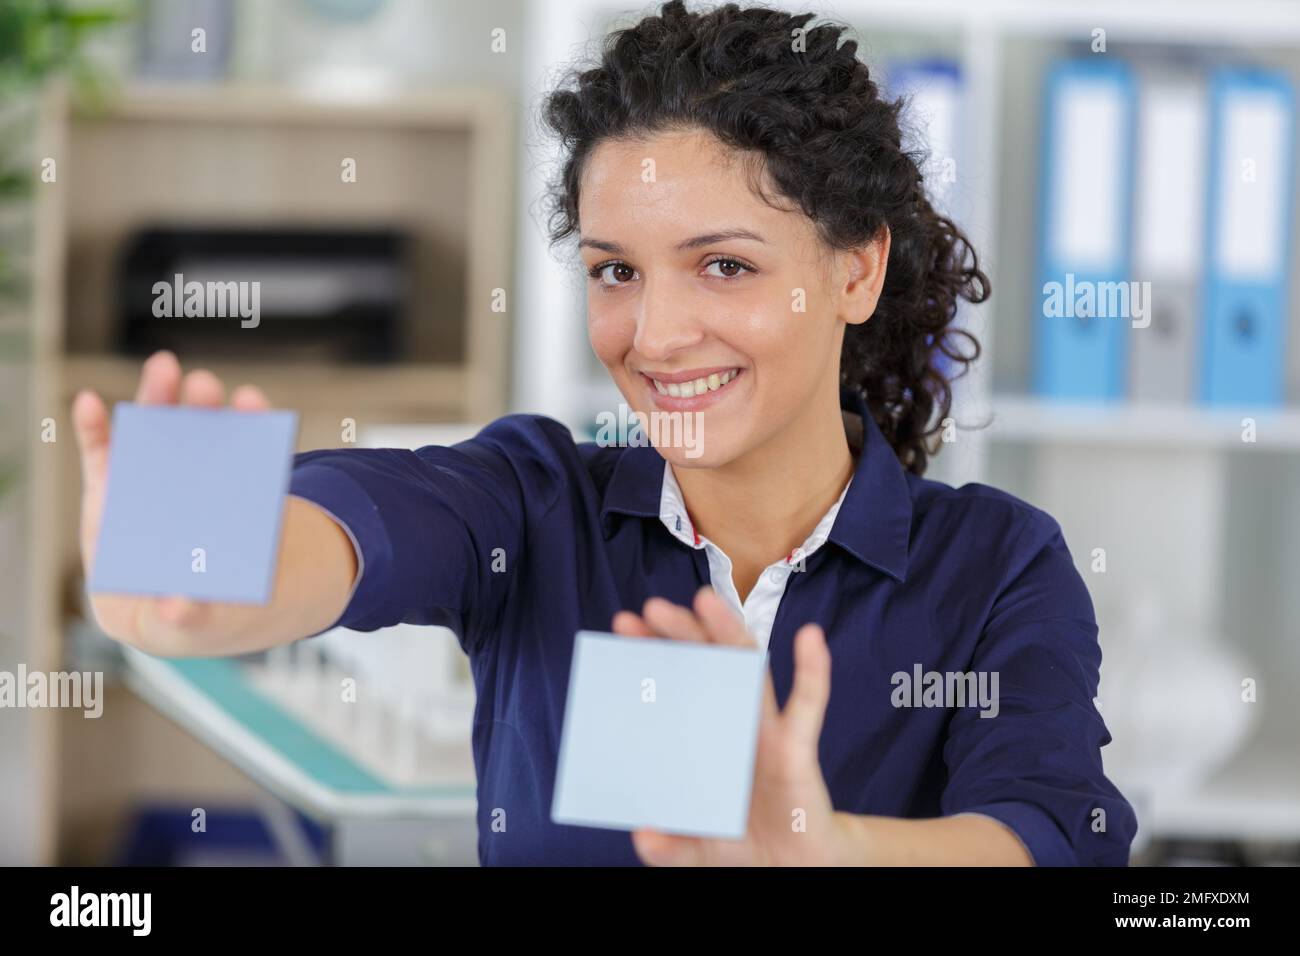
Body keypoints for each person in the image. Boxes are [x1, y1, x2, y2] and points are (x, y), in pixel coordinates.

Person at [74, 0, 1136, 866]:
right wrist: (204, 574)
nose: (657, 334)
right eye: (615, 270)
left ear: (853, 269)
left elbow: (1046, 833)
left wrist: (831, 850)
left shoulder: (996, 567)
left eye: (725, 264)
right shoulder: (533, 509)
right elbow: (358, 527)